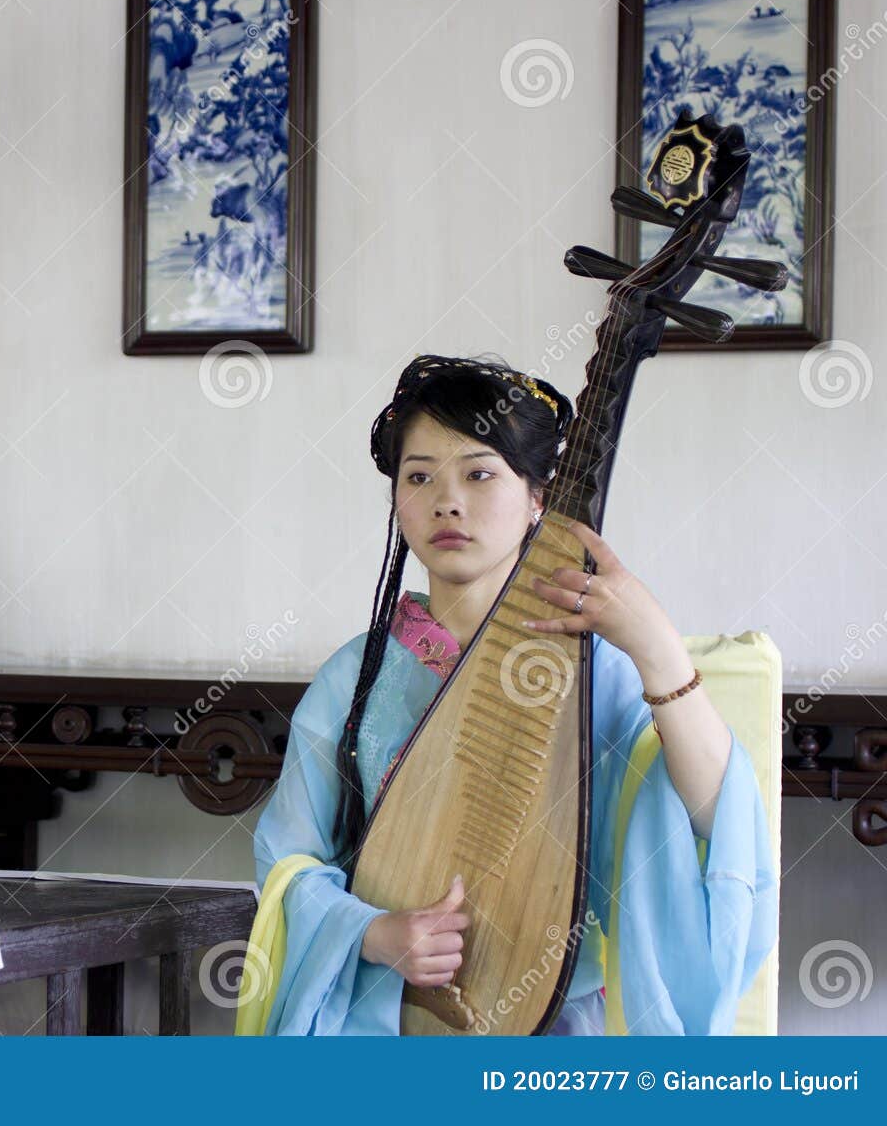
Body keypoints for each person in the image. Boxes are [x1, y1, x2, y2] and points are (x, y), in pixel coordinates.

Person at [252, 354, 776, 1035]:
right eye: (420, 477)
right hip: (375, 1017)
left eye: (478, 473)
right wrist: (378, 934)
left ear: (538, 499)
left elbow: (718, 828)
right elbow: (285, 861)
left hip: (548, 1028)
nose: (447, 499)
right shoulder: (356, 675)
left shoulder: (596, 673)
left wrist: (656, 647)